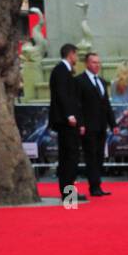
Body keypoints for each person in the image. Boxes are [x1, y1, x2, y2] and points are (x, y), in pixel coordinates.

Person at [48, 43, 86, 201]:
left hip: (66, 120)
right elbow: (63, 95)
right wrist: (70, 115)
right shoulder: (61, 71)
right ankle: (69, 193)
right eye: (76, 55)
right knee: (70, 157)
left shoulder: (63, 71)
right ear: (71, 54)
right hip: (66, 121)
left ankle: (67, 192)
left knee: (68, 156)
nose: (76, 58)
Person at [76, 52, 115, 196]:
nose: (97, 65)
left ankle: (97, 185)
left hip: (101, 125)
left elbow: (106, 104)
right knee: (90, 156)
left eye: (98, 62)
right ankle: (94, 186)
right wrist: (80, 123)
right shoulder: (79, 81)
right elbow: (77, 105)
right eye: (93, 62)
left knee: (99, 156)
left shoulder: (102, 82)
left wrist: (113, 124)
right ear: (87, 63)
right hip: (87, 126)